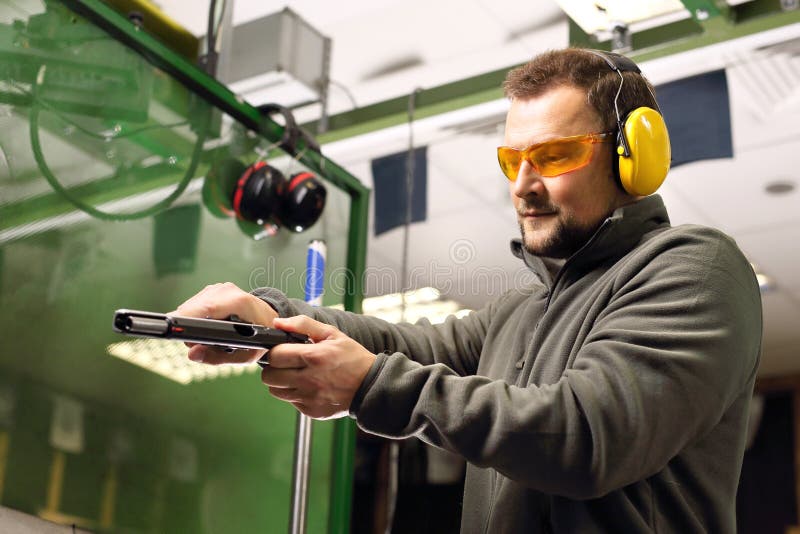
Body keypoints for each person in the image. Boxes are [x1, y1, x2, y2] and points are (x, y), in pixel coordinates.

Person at [174, 48, 762, 533]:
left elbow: (587, 435)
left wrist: (368, 384)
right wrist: (268, 316)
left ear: (634, 157)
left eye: (554, 156)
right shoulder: (521, 311)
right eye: (513, 160)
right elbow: (401, 346)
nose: (524, 186)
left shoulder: (694, 267)